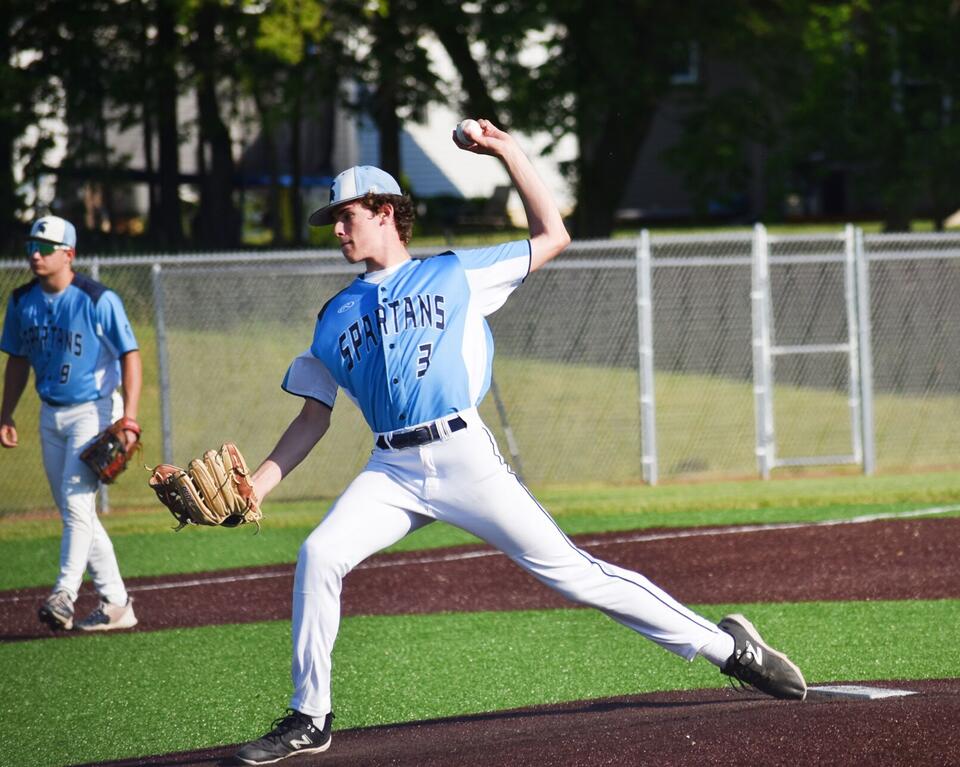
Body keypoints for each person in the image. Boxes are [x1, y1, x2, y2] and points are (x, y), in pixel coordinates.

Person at [234, 121, 807, 765]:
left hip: (462, 455)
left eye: (347, 215)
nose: (336, 230)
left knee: (577, 577)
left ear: (387, 213)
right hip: (391, 467)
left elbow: (553, 235)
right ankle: (311, 717)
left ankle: (732, 650)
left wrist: (507, 152)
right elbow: (314, 416)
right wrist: (256, 486)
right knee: (319, 554)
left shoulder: (455, 274)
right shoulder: (334, 315)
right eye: (333, 220)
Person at [1, 214, 141, 632]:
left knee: (77, 502)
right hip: (51, 413)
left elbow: (129, 355)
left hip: (94, 411)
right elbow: (18, 360)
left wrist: (129, 418)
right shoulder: (22, 301)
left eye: (45, 247)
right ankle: (117, 602)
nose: (35, 254)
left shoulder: (97, 299)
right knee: (73, 509)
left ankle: (64, 594)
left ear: (69, 254)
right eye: (31, 246)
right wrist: (5, 412)